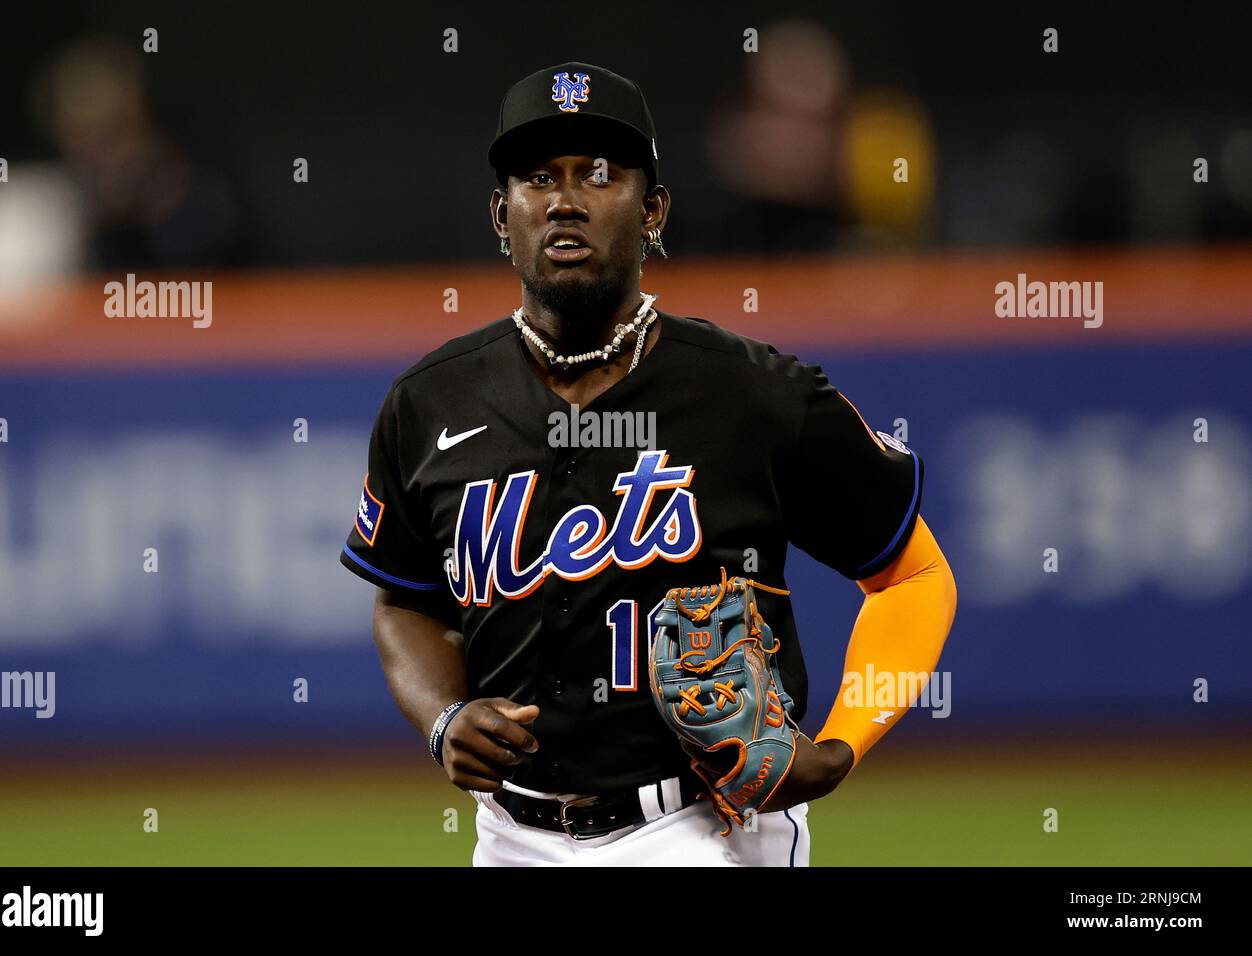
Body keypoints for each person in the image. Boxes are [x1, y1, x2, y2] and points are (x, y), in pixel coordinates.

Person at [339, 62, 957, 866]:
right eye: (536, 178)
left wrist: (842, 744)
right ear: (502, 214)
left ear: (653, 209)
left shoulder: (754, 394)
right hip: (509, 837)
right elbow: (405, 599)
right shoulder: (430, 402)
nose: (565, 199)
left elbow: (911, 576)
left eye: (599, 174)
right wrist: (444, 719)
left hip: (708, 826)